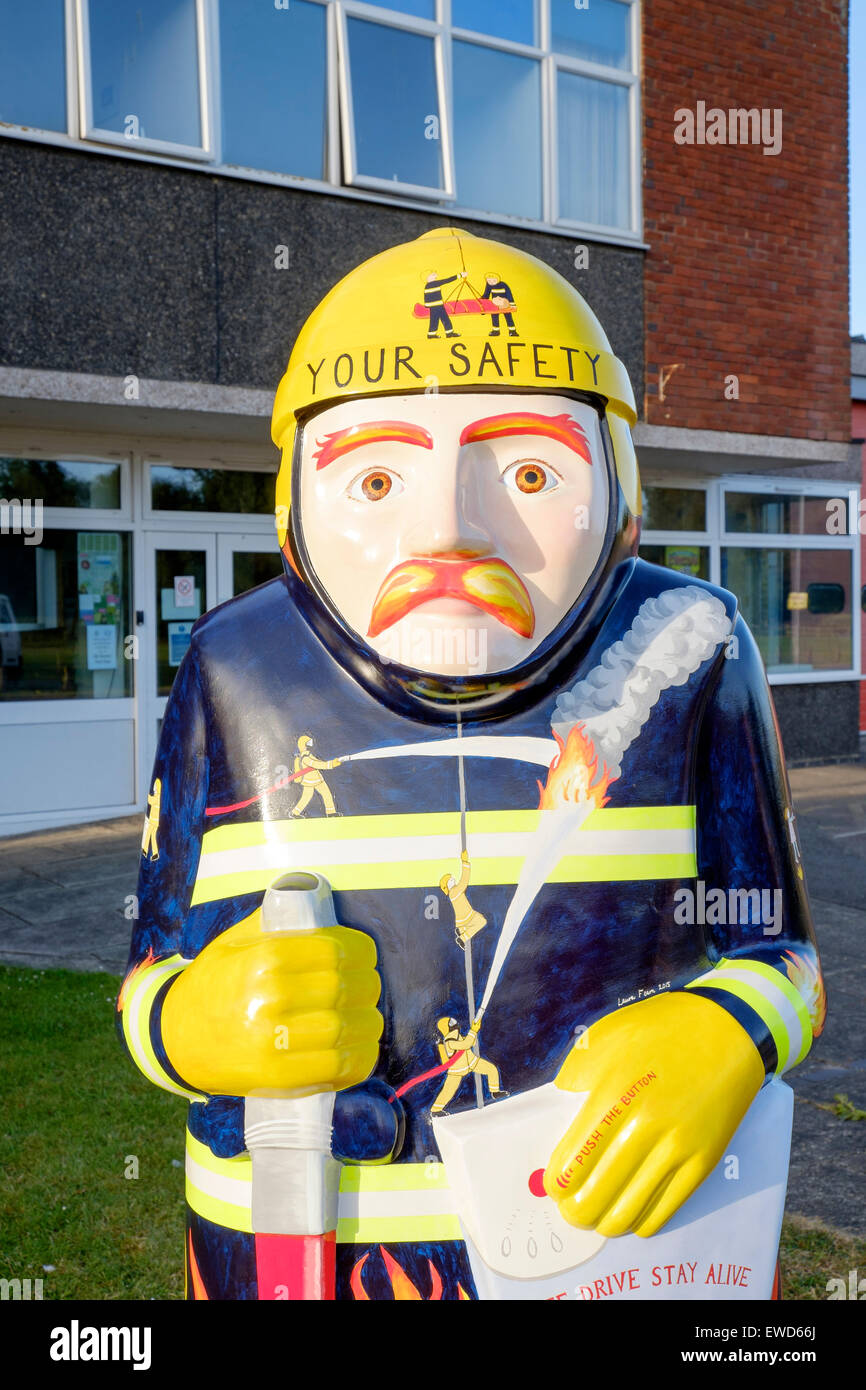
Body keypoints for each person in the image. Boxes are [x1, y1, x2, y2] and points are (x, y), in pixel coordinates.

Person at [118, 227, 823, 1301]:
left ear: (617, 482)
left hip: (617, 1251)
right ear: (293, 499)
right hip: (291, 1249)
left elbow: (781, 950)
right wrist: (198, 1023)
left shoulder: (690, 649)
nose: (448, 529)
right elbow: (150, 970)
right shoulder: (232, 664)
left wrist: (721, 1028)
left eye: (529, 470)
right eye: (374, 479)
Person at [439, 850, 487, 949]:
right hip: (467, 917)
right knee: (482, 922)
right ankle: (462, 938)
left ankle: (461, 930)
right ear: (447, 885)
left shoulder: (453, 892)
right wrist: (465, 862)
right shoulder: (455, 891)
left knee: (480, 917)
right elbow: (464, 881)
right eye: (451, 880)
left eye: (453, 878)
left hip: (466, 916)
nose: (454, 880)